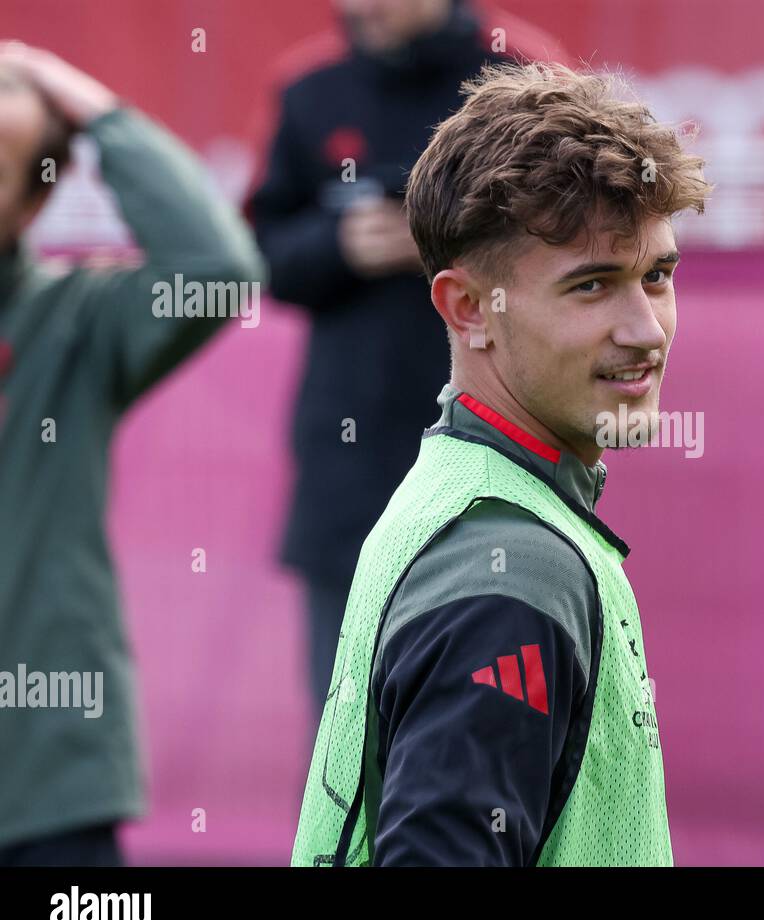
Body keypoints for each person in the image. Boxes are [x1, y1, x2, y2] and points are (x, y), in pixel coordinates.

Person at [291, 60, 710, 866]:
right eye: (592, 286)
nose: (647, 330)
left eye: (657, 276)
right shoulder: (508, 572)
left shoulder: (465, 493)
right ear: (468, 308)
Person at [247, 0, 557, 708]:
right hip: (347, 462)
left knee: (487, 717)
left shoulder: (520, 75)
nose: (361, 7)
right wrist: (339, 247)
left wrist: (449, 246)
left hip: (495, 450)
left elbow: (568, 250)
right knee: (345, 719)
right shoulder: (310, 88)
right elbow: (259, 255)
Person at [0, 42, 263, 865]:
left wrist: (97, 111)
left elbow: (217, 269)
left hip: (46, 790)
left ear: (27, 207)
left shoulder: (74, 323)